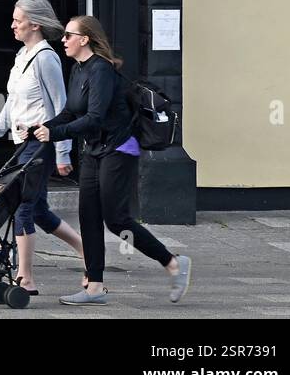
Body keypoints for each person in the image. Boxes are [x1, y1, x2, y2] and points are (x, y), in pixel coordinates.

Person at [34, 15, 192, 305]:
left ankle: (173, 263)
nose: (64, 40)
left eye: (69, 35)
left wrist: (55, 133)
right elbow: (71, 112)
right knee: (88, 215)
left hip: (121, 147)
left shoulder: (101, 71)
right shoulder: (78, 70)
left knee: (116, 219)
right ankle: (94, 286)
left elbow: (94, 118)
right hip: (95, 150)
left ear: (85, 39)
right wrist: (42, 128)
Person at [0, 0, 84, 295]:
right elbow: (12, 102)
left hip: (42, 144)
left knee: (23, 206)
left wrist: (63, 152)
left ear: (35, 24)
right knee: (37, 209)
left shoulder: (46, 58)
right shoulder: (22, 55)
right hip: (22, 142)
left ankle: (25, 278)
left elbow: (59, 108)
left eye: (18, 20)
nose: (12, 25)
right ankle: (88, 252)